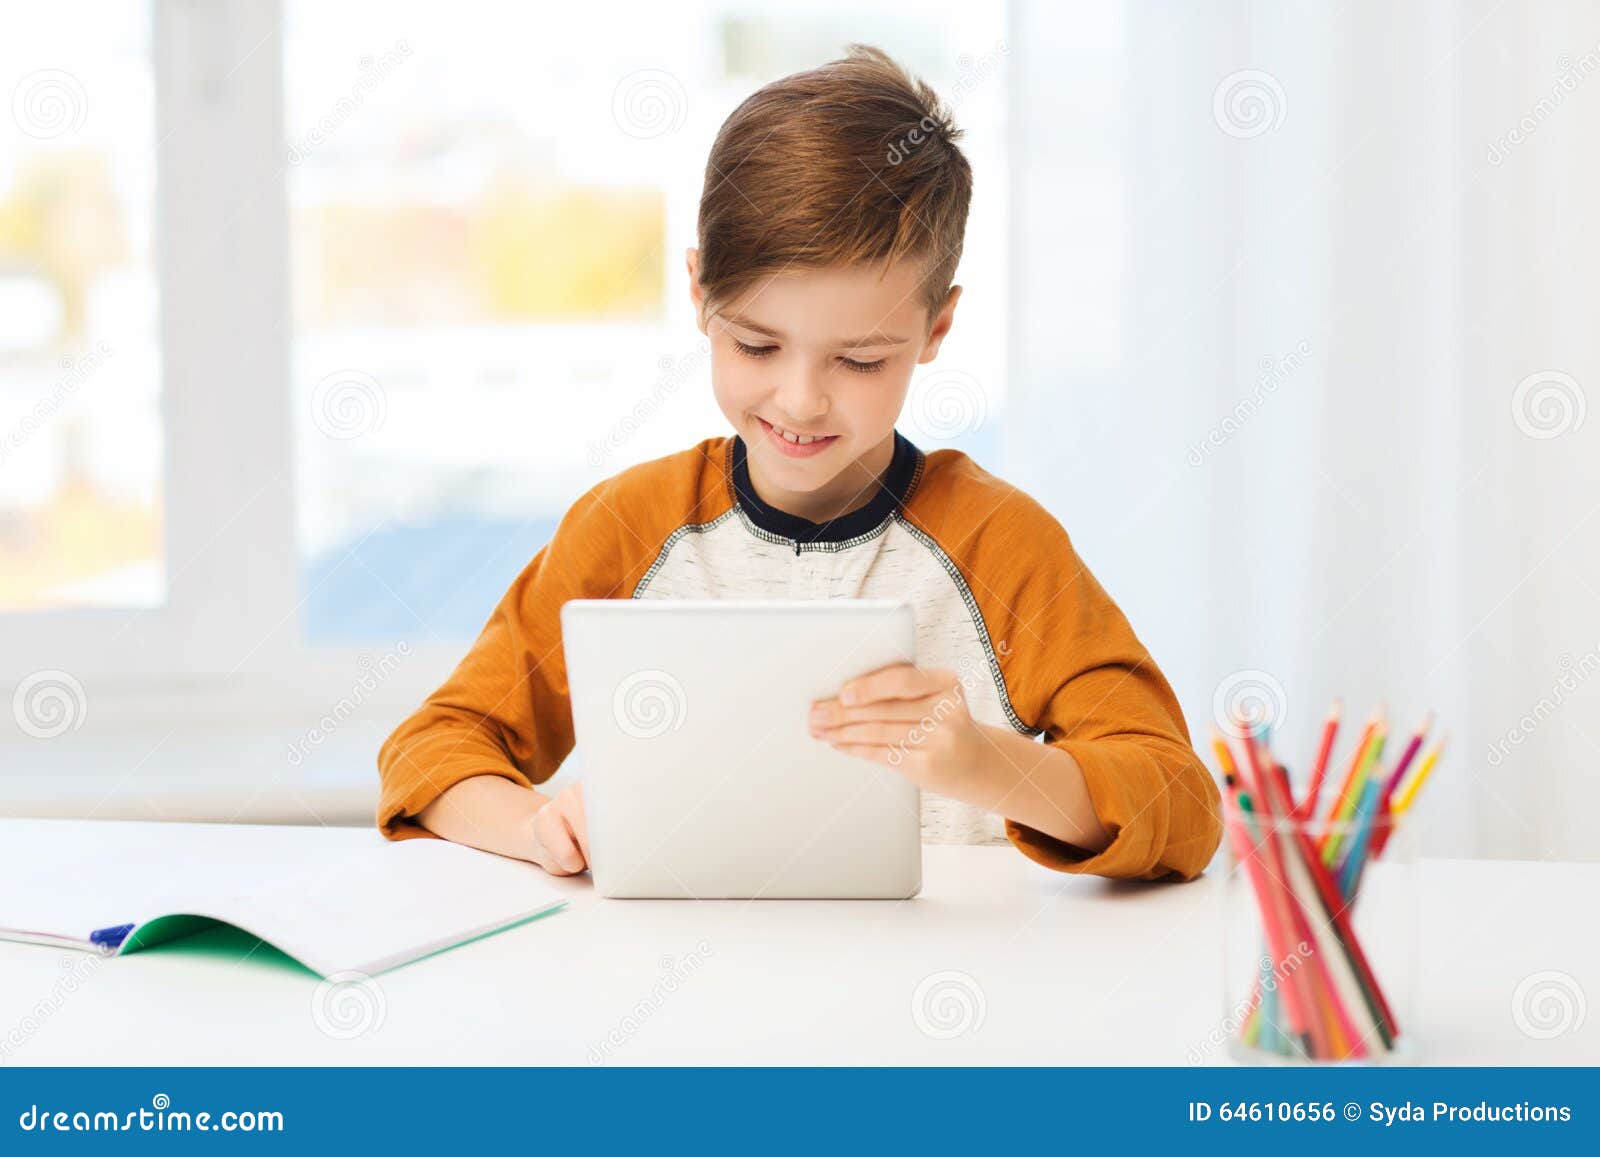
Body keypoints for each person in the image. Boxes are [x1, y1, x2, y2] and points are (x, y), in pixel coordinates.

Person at [376, 45, 1222, 884]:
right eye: (757, 345)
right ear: (700, 295)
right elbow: (429, 751)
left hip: (941, 964)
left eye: (860, 360)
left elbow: (1181, 804)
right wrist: (538, 827)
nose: (801, 399)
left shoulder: (1002, 546)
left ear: (936, 330)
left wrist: (988, 764)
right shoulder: (627, 527)